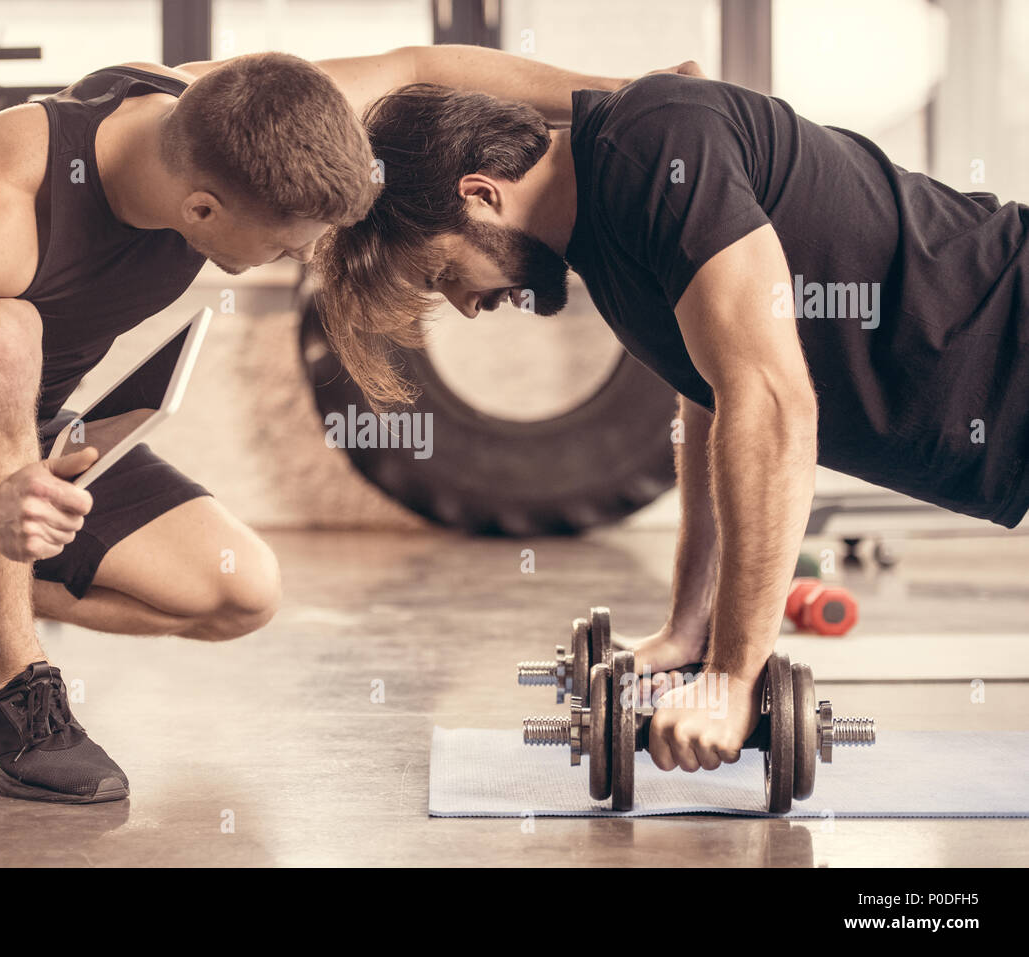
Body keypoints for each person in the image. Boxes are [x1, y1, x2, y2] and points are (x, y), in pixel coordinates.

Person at [0, 43, 659, 803]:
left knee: (235, 592)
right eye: (287, 246)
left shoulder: (240, 113)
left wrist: (624, 94)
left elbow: (422, 64)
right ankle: (17, 706)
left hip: (25, 431)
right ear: (202, 209)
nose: (295, 259)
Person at [314, 71, 1029, 778]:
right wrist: (692, 629)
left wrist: (731, 680)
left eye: (443, 272)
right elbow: (715, 403)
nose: (466, 305)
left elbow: (774, 407)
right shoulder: (608, 234)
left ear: (480, 195)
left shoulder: (653, 144)